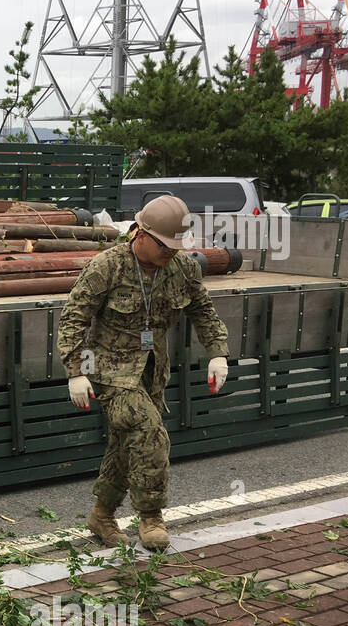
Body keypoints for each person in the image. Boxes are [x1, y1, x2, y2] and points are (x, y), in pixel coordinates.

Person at [58, 195, 230, 551]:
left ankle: (101, 515)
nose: (170, 252)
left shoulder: (182, 268)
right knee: (149, 432)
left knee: (127, 443)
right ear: (141, 233)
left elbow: (203, 310)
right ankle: (151, 517)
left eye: (175, 246)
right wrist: (75, 371)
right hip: (109, 370)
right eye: (164, 245)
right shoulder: (107, 267)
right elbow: (74, 317)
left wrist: (217, 354)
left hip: (152, 371)